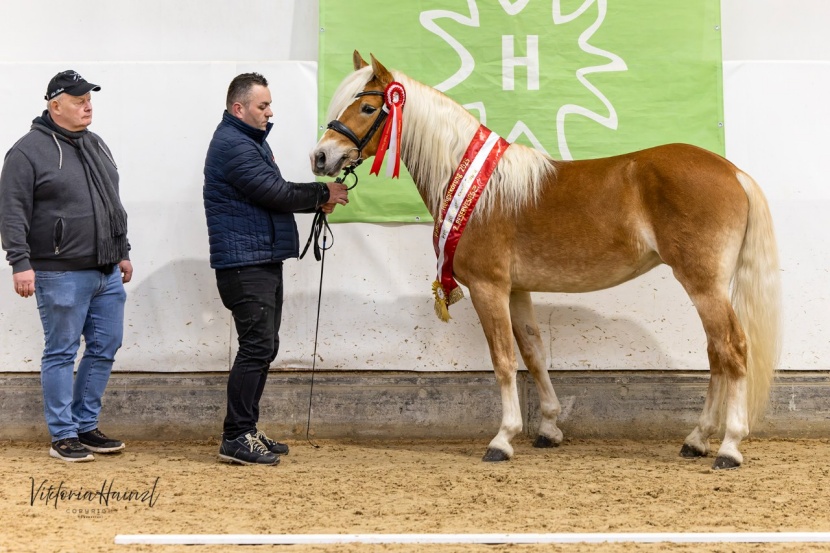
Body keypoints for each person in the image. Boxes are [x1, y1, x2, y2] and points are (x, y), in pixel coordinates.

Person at [203, 72, 348, 466]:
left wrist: (317, 198)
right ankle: (235, 436)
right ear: (240, 108)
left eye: (269, 105)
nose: (270, 112)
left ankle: (245, 429)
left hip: (256, 260)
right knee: (256, 347)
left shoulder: (246, 142)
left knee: (263, 346)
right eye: (262, 106)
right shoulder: (234, 145)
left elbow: (273, 191)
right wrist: (323, 193)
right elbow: (275, 192)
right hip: (244, 265)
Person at [0, 70, 132, 462]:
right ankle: (63, 435)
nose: (87, 104)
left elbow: (113, 203)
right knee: (60, 351)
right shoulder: (26, 152)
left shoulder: (97, 144)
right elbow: (12, 213)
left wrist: (122, 249)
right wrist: (19, 263)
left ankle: (85, 425)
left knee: (106, 345)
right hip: (59, 272)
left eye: (89, 97)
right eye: (78, 99)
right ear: (55, 105)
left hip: (107, 269)